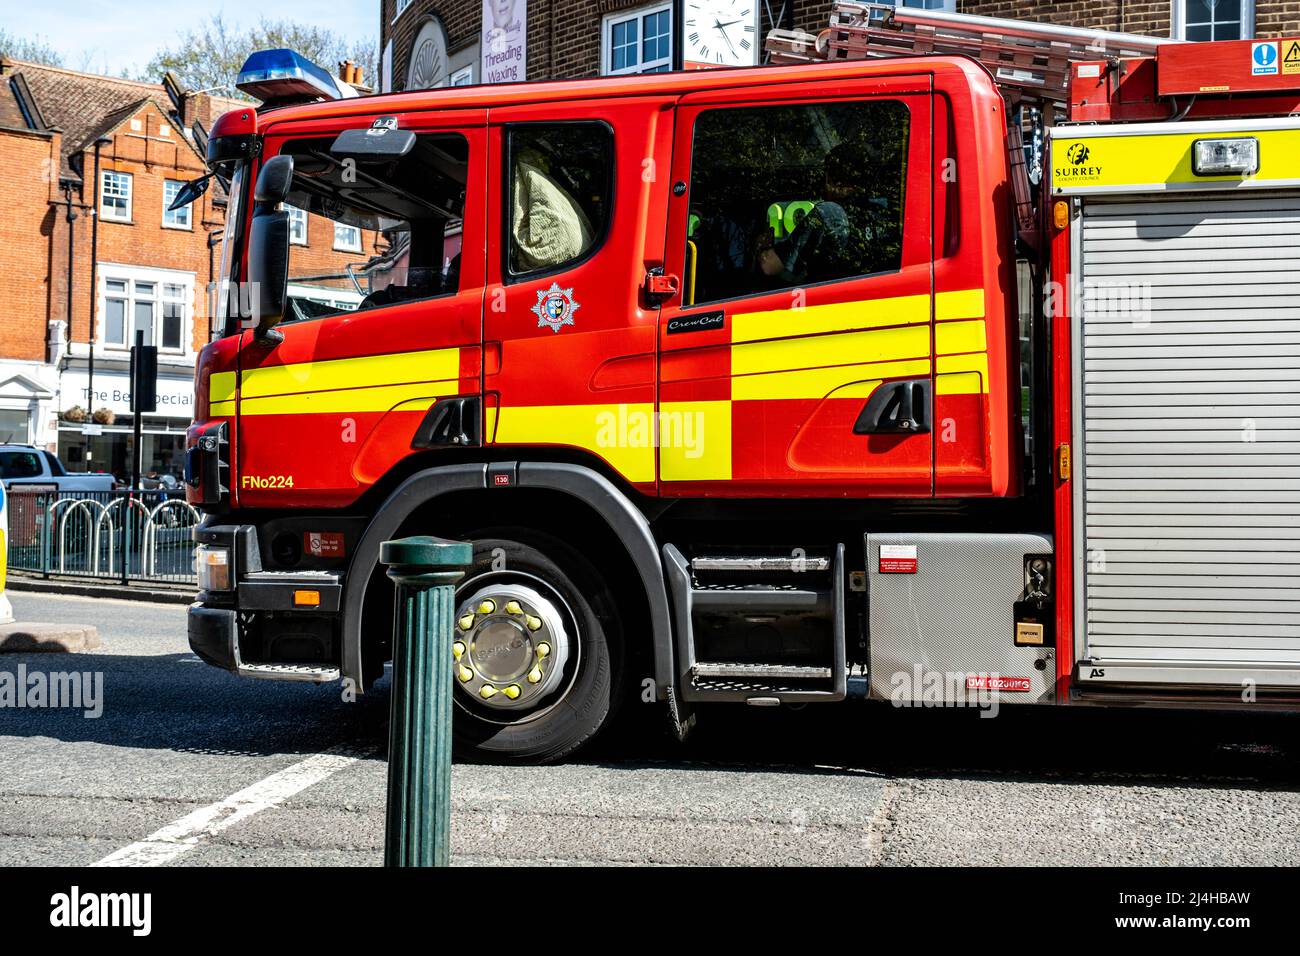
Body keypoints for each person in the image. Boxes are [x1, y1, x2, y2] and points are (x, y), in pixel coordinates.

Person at [755, 139, 894, 287]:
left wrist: (762, 247)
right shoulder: (880, 211)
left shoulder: (828, 213)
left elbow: (770, 267)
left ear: (832, 177)